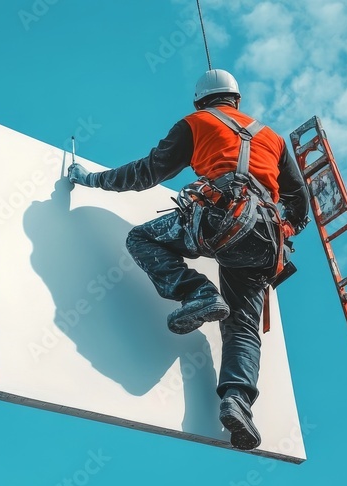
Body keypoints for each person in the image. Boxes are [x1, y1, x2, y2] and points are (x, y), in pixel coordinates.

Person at [67, 69, 310, 450]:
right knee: (243, 326)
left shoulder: (196, 123)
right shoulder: (273, 139)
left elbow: (146, 173)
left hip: (217, 219)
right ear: (237, 100)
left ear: (200, 102)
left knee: (142, 238)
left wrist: (93, 179)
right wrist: (287, 228)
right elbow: (300, 202)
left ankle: (198, 293)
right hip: (265, 240)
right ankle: (237, 401)